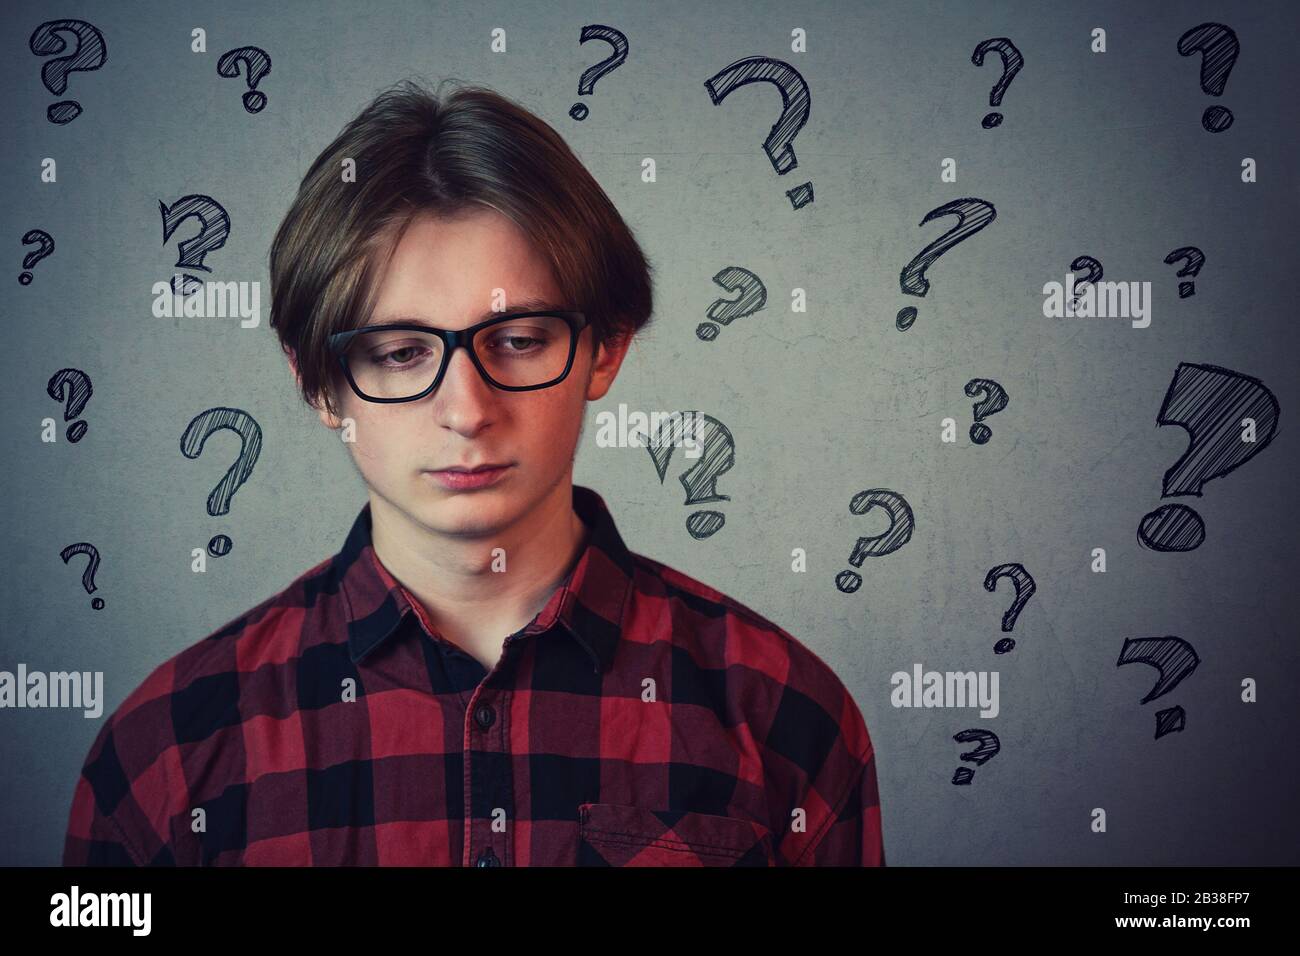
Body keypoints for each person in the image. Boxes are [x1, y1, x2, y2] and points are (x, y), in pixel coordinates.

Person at [63, 78, 884, 867]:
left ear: (607, 348)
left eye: (519, 340)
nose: (466, 409)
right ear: (317, 382)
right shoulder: (167, 749)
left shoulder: (784, 716)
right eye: (397, 352)